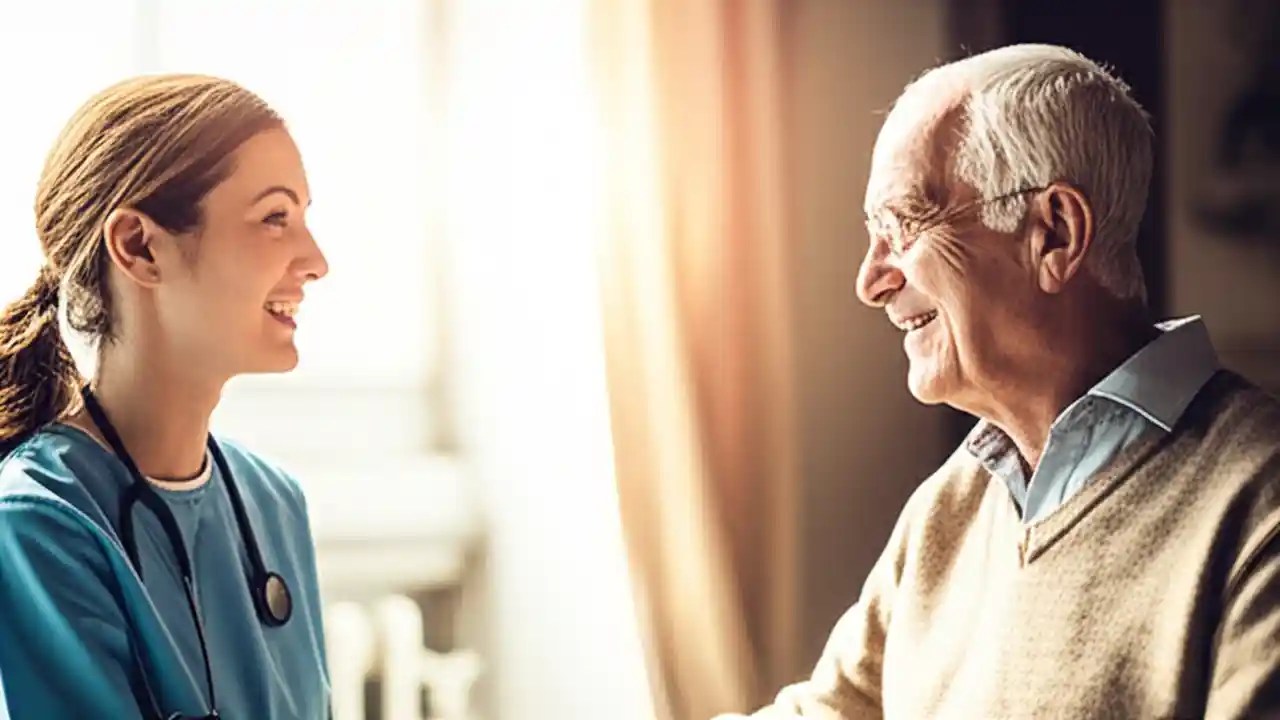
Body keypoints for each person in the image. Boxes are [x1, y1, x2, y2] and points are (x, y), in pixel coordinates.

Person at [720, 44, 1280, 719]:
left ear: (1054, 234)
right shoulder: (948, 507)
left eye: (904, 226)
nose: (870, 282)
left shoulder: (1258, 503)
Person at [0, 74, 332, 718]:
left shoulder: (275, 503)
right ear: (139, 247)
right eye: (274, 218)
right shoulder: (38, 526)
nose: (316, 259)